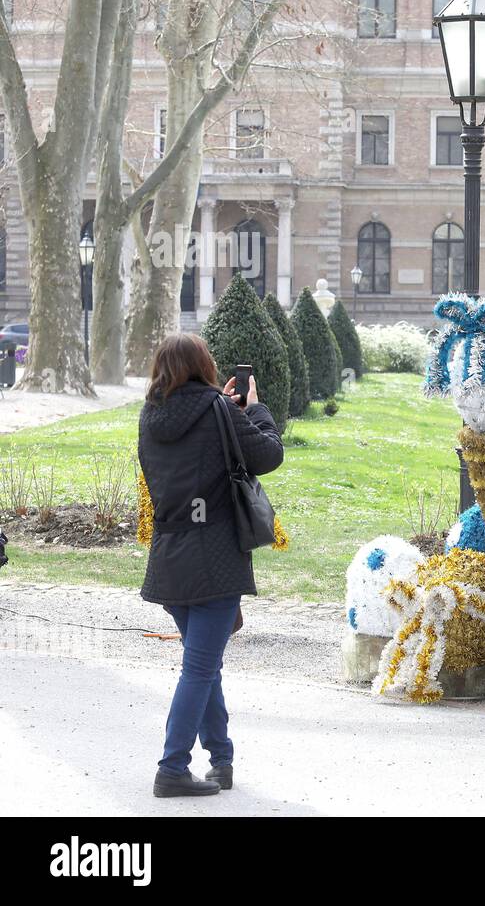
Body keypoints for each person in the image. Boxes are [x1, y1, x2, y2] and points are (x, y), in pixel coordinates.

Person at [138, 333, 284, 798]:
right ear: (204, 365)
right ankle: (172, 767)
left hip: (169, 557)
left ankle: (222, 760)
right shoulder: (219, 409)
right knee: (199, 669)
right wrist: (253, 409)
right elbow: (268, 454)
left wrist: (219, 410)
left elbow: (181, 456)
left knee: (203, 664)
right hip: (216, 556)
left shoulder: (150, 414)